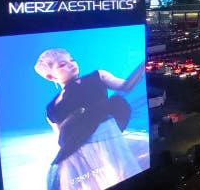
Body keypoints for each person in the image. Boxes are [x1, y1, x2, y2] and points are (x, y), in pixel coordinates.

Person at [34, 48, 145, 190]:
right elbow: (60, 139)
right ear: (50, 76)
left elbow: (127, 86)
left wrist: (144, 65)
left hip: (106, 139)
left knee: (123, 175)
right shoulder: (51, 108)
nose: (72, 64)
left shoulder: (97, 76)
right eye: (63, 64)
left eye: (72, 60)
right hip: (77, 154)